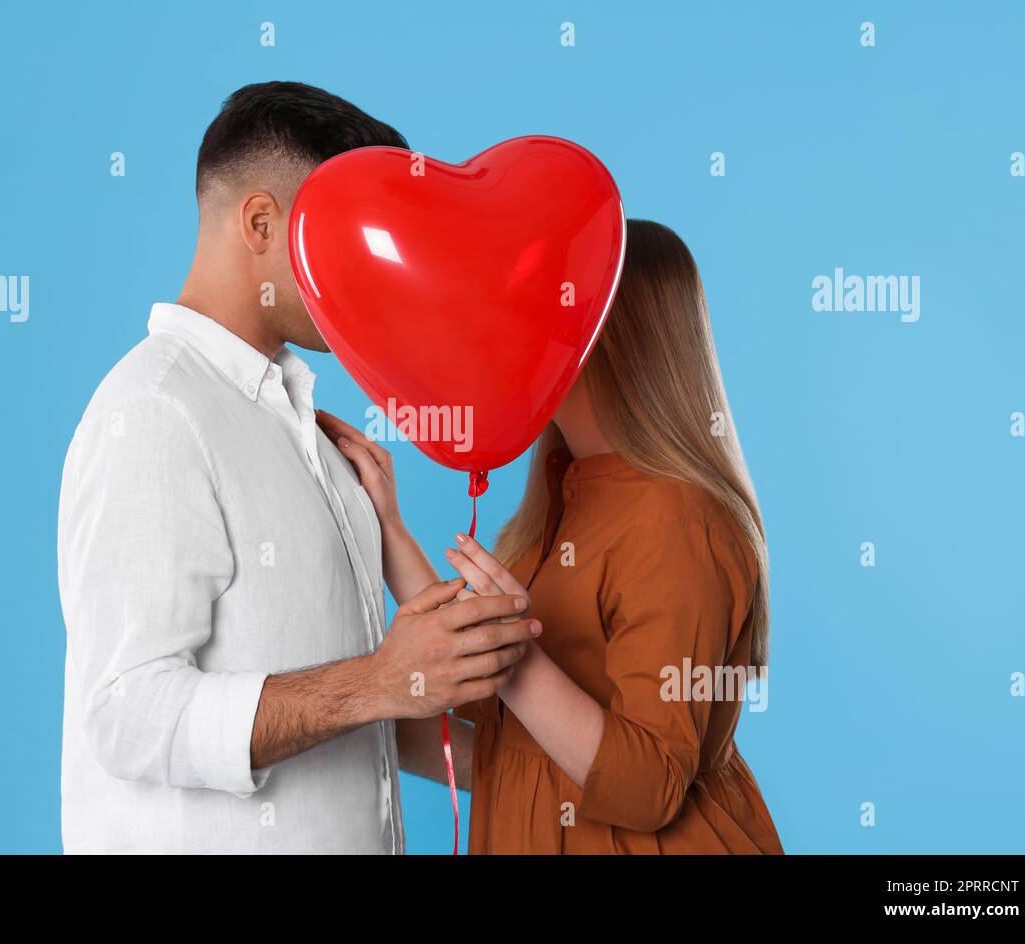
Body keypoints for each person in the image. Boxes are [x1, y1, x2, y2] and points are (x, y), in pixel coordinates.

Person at [57, 82, 539, 854]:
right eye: (344, 237)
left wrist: (598, 769)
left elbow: (357, 722)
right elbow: (128, 712)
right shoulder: (153, 412)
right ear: (258, 223)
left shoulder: (317, 440)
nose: (370, 275)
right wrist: (379, 679)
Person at [322, 218, 784, 853]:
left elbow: (648, 785)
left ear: (609, 336)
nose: (515, 337)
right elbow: (508, 736)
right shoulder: (568, 492)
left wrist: (512, 660)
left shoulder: (678, 519)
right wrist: (387, 532)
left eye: (547, 314)